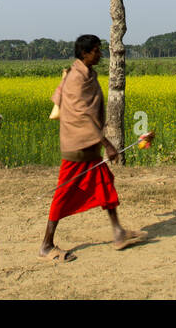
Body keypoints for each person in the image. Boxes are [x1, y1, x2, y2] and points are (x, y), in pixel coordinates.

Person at [38, 34, 147, 262]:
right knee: (63, 194)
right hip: (77, 145)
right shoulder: (77, 78)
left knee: (105, 183)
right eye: (96, 50)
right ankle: (47, 245)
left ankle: (118, 233)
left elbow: (59, 99)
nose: (100, 54)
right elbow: (82, 114)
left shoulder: (81, 73)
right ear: (85, 54)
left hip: (87, 145)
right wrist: (107, 144)